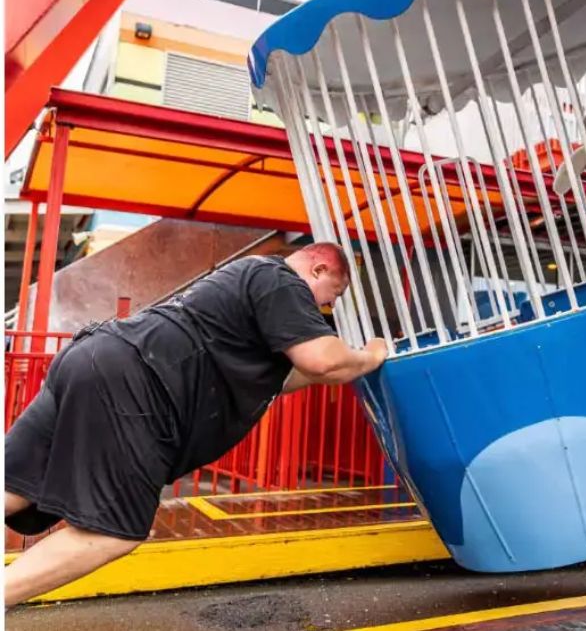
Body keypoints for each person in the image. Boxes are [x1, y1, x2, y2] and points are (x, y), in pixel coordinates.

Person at [4, 243, 389, 607]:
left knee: (16, 484)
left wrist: (341, 366)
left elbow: (293, 375)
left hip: (91, 356)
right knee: (111, 531)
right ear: (318, 269)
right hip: (133, 383)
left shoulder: (245, 284)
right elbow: (323, 360)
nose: (325, 307)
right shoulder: (280, 279)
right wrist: (371, 354)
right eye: (332, 295)